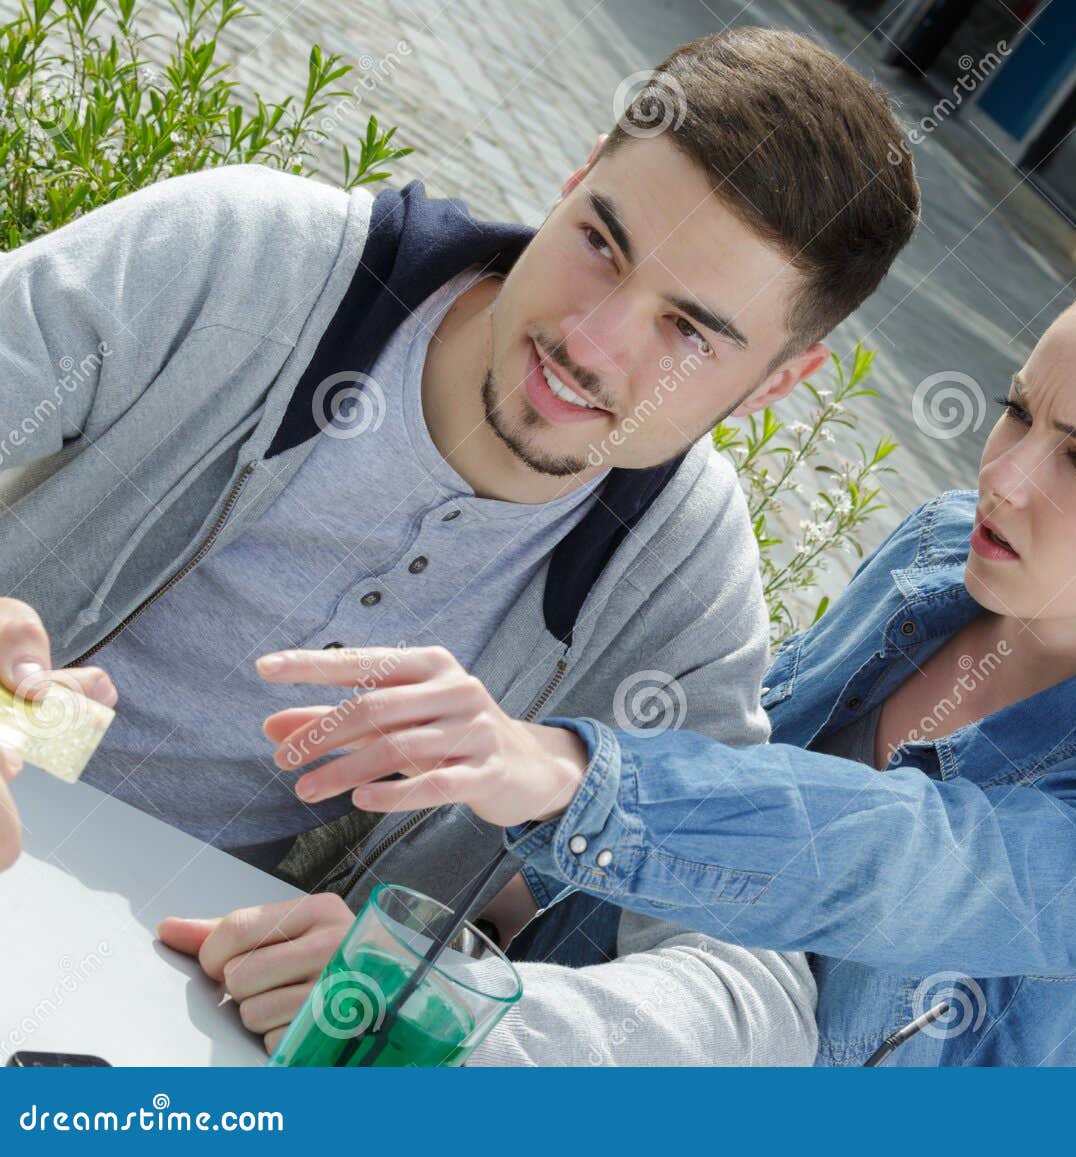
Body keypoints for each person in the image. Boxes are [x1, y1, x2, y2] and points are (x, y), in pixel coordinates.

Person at [0, 28, 919, 1062]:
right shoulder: (245, 255)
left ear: (782, 381)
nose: (591, 339)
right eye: (601, 244)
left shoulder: (679, 576)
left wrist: (468, 1009)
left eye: (689, 330)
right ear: (572, 183)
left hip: (164, 1041)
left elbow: (755, 987)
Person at [250, 252, 1076, 1065]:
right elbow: (728, 768)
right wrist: (426, 941)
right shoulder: (946, 553)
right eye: (1019, 412)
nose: (1004, 473)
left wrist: (566, 772)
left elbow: (880, 859)